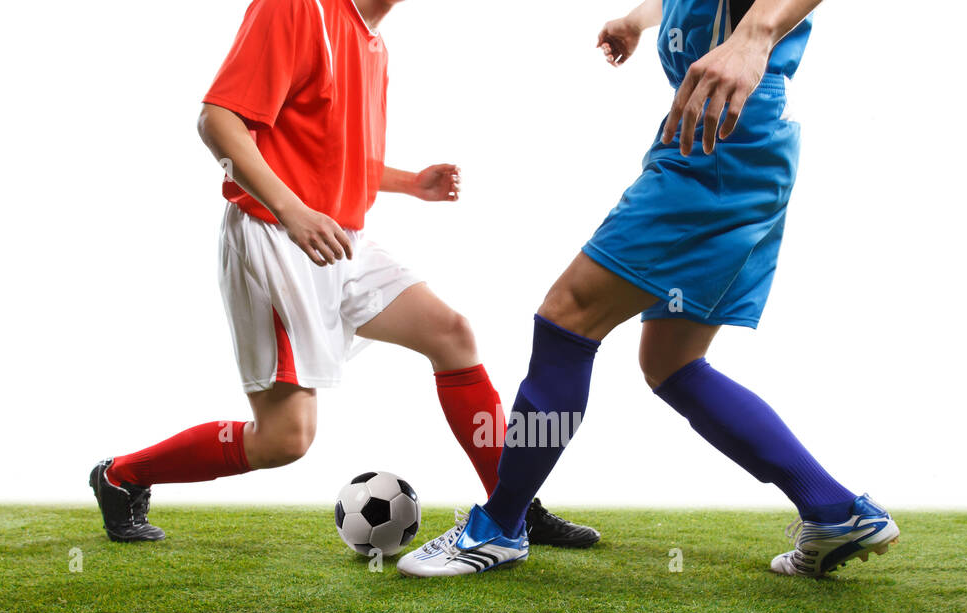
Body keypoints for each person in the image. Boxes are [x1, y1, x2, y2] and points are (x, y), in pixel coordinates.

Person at [400, 0, 897, 578]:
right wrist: (637, 20)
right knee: (672, 362)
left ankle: (499, 526)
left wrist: (756, 34)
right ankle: (833, 509)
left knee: (568, 318)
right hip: (744, 147)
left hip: (719, 145)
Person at [89, 0, 598, 550]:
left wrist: (412, 183)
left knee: (451, 334)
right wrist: (291, 209)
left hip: (337, 238)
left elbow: (334, 153)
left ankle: (511, 508)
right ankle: (122, 475)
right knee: (284, 440)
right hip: (274, 238)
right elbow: (217, 120)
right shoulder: (298, 9)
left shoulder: (374, 43)